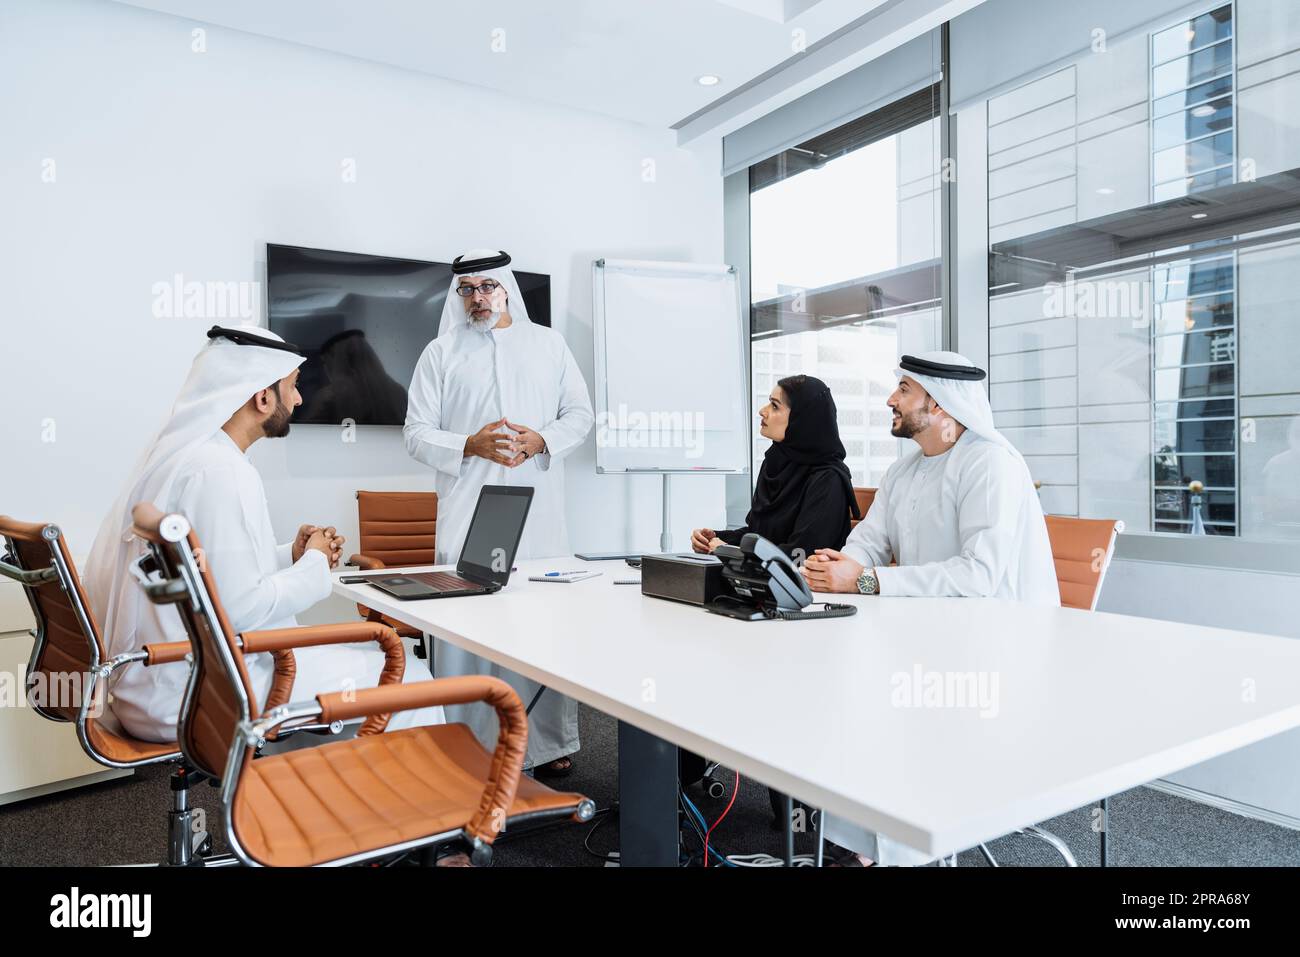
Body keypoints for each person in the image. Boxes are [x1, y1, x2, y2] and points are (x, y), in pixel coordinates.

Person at [86, 325, 445, 744]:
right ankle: (403, 804)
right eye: (292, 388)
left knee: (368, 660)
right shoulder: (223, 473)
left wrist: (288, 554)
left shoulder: (193, 459)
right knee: (412, 673)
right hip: (202, 691)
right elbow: (242, 608)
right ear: (262, 398)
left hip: (163, 681)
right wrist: (313, 561)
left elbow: (212, 575)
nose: (299, 399)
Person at [800, 350, 1058, 865]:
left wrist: (867, 582)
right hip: (927, 637)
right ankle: (863, 848)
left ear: (939, 404)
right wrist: (834, 568)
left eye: (903, 390)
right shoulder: (906, 471)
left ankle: (901, 854)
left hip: (996, 655)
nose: (890, 400)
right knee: (838, 688)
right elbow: (869, 542)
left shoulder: (991, 465)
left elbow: (977, 577)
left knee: (881, 700)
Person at [403, 249, 594, 775]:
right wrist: (470, 444)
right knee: (470, 628)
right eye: (468, 289)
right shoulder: (440, 353)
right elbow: (415, 434)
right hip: (468, 512)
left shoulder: (548, 345)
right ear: (458, 296)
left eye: (488, 287)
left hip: (540, 517)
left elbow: (580, 414)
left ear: (506, 289)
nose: (478, 298)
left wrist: (541, 439)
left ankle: (548, 744)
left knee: (541, 623)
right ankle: (469, 747)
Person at [690, 374, 859, 562]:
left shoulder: (828, 479)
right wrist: (714, 538)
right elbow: (758, 535)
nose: (762, 411)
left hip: (807, 588)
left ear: (802, 418)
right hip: (762, 583)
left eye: (775, 406)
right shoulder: (775, 464)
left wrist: (727, 550)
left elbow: (801, 554)